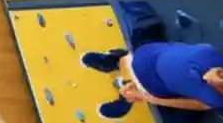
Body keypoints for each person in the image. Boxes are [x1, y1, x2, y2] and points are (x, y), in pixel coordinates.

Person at [81, 42, 223, 118]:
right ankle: (119, 64)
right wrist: (151, 98)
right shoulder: (207, 53)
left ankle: (127, 90)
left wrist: (150, 98)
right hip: (144, 59)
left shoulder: (214, 99)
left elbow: (199, 104)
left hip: (151, 75)